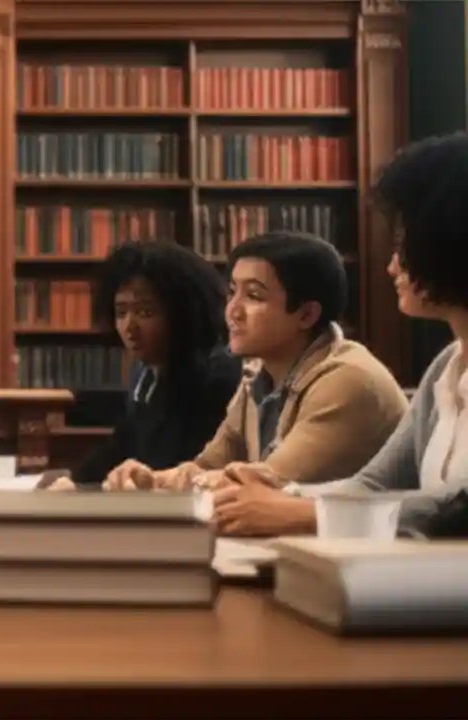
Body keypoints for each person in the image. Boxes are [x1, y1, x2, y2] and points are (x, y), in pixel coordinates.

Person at [210, 133, 468, 537]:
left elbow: (459, 508)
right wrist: (281, 493)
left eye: (403, 244)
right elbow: (374, 484)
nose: (392, 266)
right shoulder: (445, 368)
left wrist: (302, 513)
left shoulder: (350, 376)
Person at [105, 231, 408, 494]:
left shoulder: (348, 380)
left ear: (306, 315)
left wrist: (173, 484)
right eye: (232, 292)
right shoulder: (257, 374)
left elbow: (266, 485)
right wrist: (149, 480)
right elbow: (208, 465)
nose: (233, 311)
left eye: (253, 295)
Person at [60, 241, 241, 487]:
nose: (129, 327)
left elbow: (172, 465)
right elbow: (122, 445)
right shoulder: (147, 373)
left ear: (182, 313)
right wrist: (71, 481)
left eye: (145, 313)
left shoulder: (216, 377)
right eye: (121, 312)